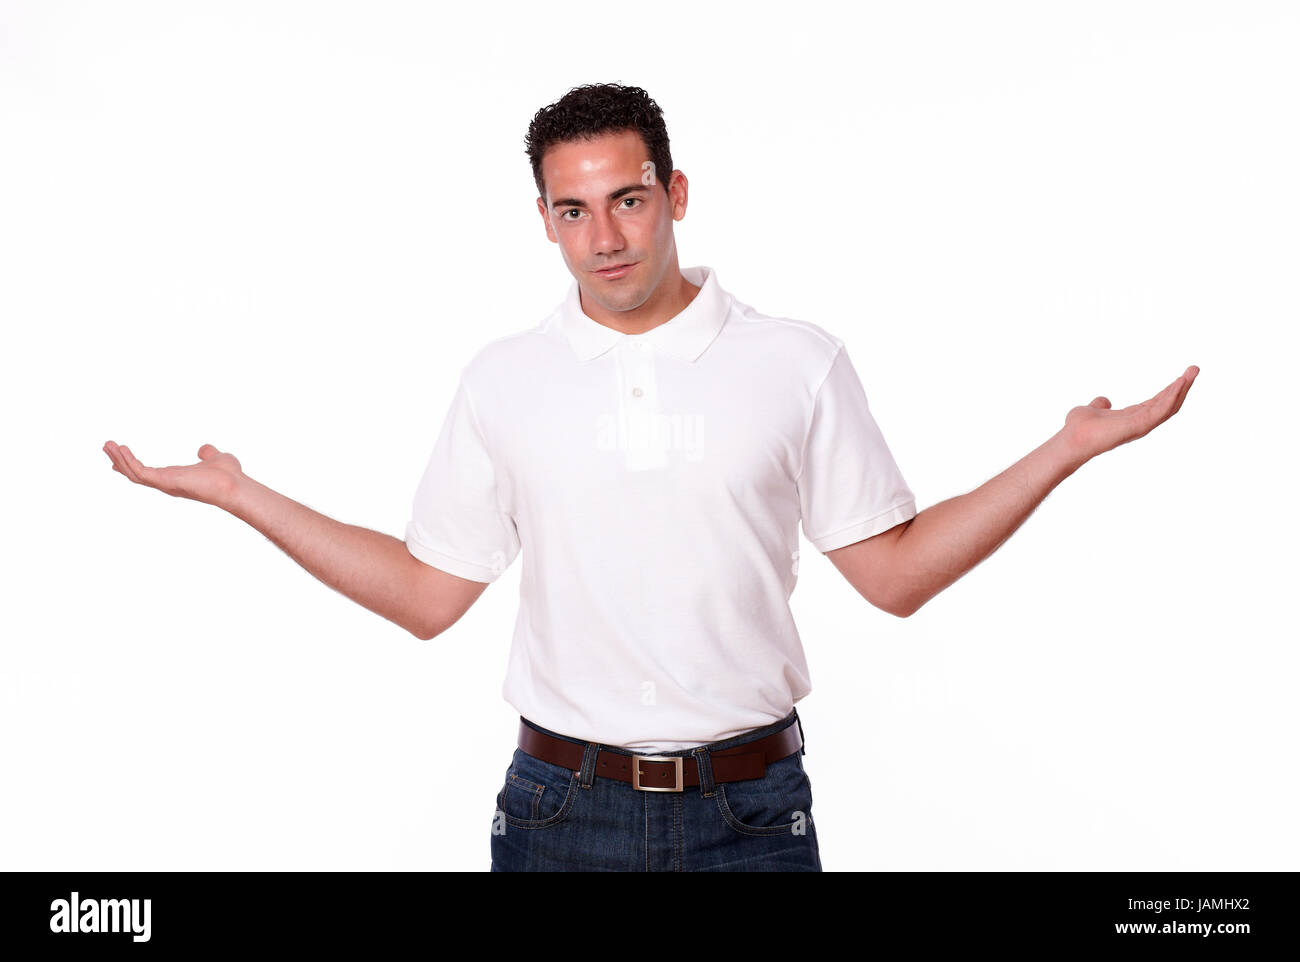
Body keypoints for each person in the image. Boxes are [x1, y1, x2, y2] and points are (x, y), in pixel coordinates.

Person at [102, 83, 1198, 872]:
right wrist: (245, 496)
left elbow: (895, 573)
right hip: (557, 811)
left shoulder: (793, 361)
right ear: (543, 221)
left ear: (674, 191)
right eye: (571, 211)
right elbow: (427, 595)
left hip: (752, 812)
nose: (604, 237)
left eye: (627, 199)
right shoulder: (504, 380)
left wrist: (1062, 450)